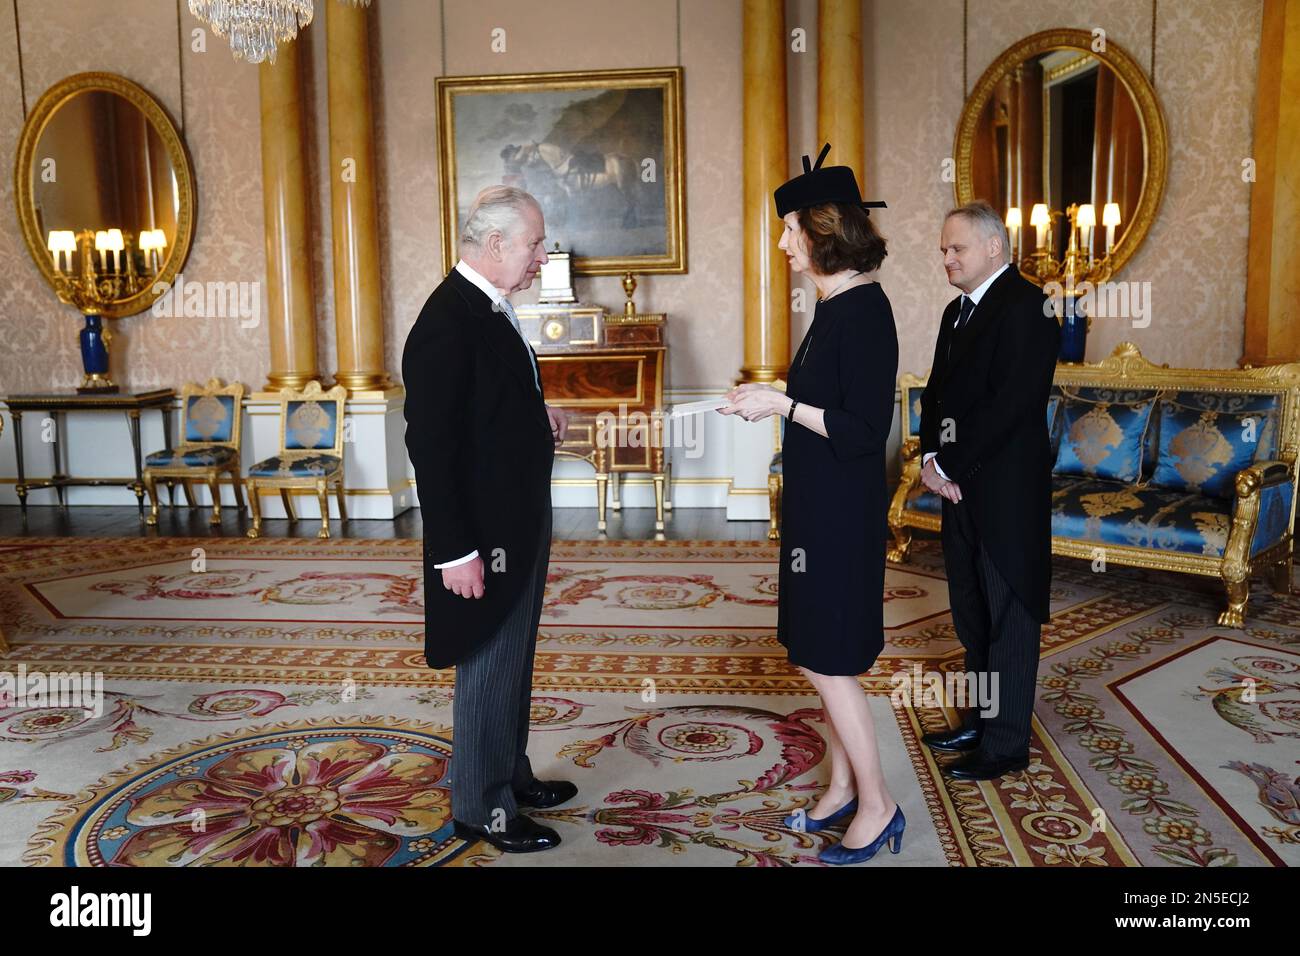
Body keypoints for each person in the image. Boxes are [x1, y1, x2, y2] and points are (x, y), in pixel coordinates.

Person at [721, 143, 904, 865]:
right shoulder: (835, 305)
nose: (781, 244)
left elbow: (861, 432)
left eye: (789, 229)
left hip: (840, 513)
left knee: (830, 661)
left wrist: (780, 402)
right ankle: (841, 789)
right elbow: (821, 407)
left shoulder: (861, 312)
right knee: (816, 655)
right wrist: (770, 403)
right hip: (818, 509)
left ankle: (880, 805)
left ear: (823, 231)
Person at [402, 185, 576, 853]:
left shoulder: (488, 307)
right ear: (498, 244)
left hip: (515, 521)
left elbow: (488, 404)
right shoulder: (448, 319)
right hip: (481, 535)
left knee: (514, 656)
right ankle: (481, 807)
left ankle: (511, 774)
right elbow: (432, 443)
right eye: (534, 244)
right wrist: (453, 552)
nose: (541, 255)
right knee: (489, 661)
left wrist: (539, 412)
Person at [917, 200, 1059, 780]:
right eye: (944, 250)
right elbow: (935, 395)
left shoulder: (1032, 306)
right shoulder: (956, 313)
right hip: (958, 489)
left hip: (1005, 493)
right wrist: (929, 458)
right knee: (971, 611)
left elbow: (1012, 405)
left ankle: (1004, 745)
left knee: (1009, 615)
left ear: (994, 248)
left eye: (957, 248)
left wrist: (950, 464)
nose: (947, 258)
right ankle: (979, 717)